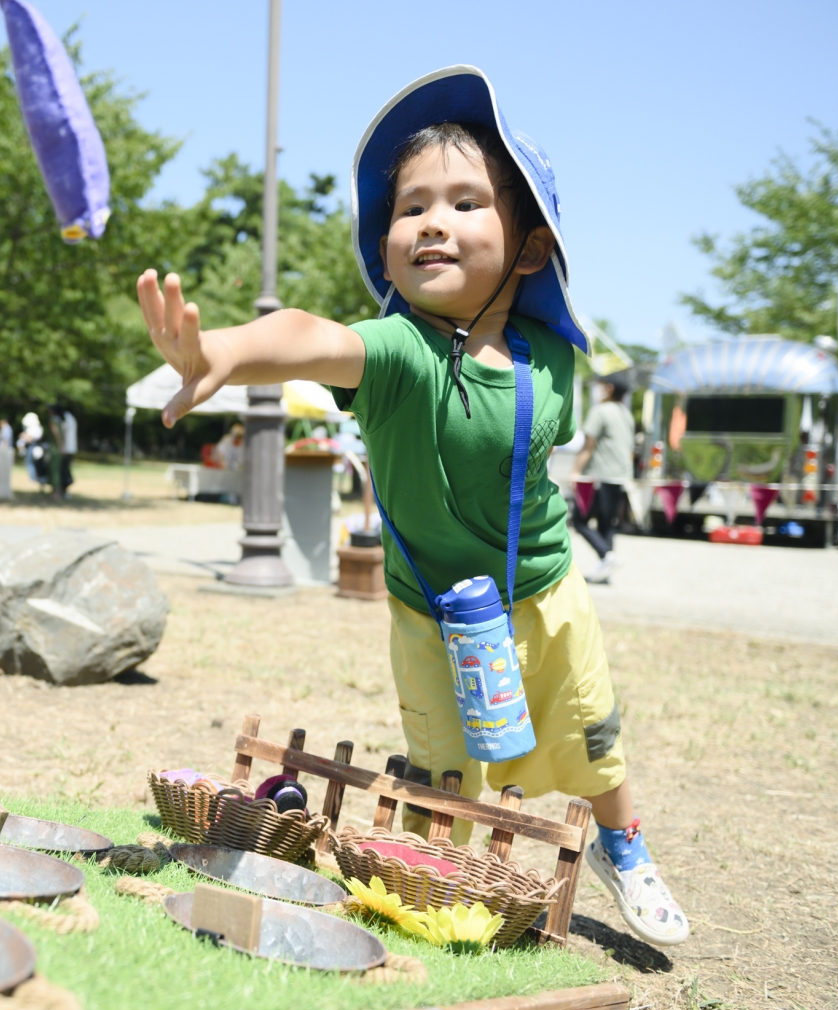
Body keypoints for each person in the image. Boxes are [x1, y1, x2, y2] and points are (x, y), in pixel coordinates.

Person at [134, 67, 687, 947]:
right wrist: (228, 352)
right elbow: (312, 335)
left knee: (589, 731)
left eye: (466, 203)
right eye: (410, 206)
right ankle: (445, 876)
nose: (432, 221)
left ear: (531, 247)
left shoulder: (553, 358)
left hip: (543, 592)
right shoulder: (398, 350)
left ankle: (625, 844)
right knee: (443, 763)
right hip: (431, 607)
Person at [573, 374, 635, 583]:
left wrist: (576, 472)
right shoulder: (627, 415)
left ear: (609, 388)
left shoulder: (600, 411)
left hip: (598, 476)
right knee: (607, 525)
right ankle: (606, 572)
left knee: (579, 520)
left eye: (600, 387)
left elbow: (588, 446)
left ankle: (607, 556)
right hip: (620, 477)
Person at [16, 412, 44, 483]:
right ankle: (35, 477)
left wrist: (23, 436)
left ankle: (33, 478)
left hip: (33, 447)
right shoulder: (37, 428)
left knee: (31, 463)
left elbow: (30, 439)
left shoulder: (34, 428)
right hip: (33, 447)